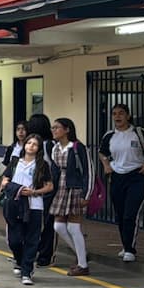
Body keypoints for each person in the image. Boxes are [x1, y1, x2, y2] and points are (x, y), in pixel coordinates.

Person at [0, 133, 53, 286]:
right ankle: (20, 261)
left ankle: (26, 271)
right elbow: (6, 179)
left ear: (39, 148)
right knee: (14, 240)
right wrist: (6, 188)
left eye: (35, 144)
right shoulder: (15, 162)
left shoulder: (42, 165)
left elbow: (49, 186)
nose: (31, 146)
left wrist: (34, 192)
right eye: (29, 143)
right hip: (15, 204)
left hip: (34, 206)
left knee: (32, 239)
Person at [99, 104, 144, 263]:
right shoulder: (109, 135)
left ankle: (130, 249)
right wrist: (106, 165)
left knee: (130, 214)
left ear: (128, 115)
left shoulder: (139, 133)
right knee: (120, 215)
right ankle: (126, 244)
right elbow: (102, 152)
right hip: (117, 177)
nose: (117, 117)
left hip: (136, 176)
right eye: (114, 114)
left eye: (121, 113)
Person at [50, 117, 94, 277]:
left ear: (67, 129)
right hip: (61, 189)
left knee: (74, 227)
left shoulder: (77, 147)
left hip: (75, 189)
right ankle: (80, 252)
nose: (54, 130)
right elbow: (54, 170)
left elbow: (89, 171)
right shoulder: (55, 148)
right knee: (59, 226)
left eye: (57, 127)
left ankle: (82, 264)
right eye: (53, 128)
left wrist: (86, 193)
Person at [26, 113, 59, 268]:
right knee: (39, 222)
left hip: (45, 188)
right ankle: (40, 253)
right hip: (38, 188)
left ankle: (45, 254)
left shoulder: (48, 145)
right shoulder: (41, 145)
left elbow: (54, 167)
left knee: (46, 222)